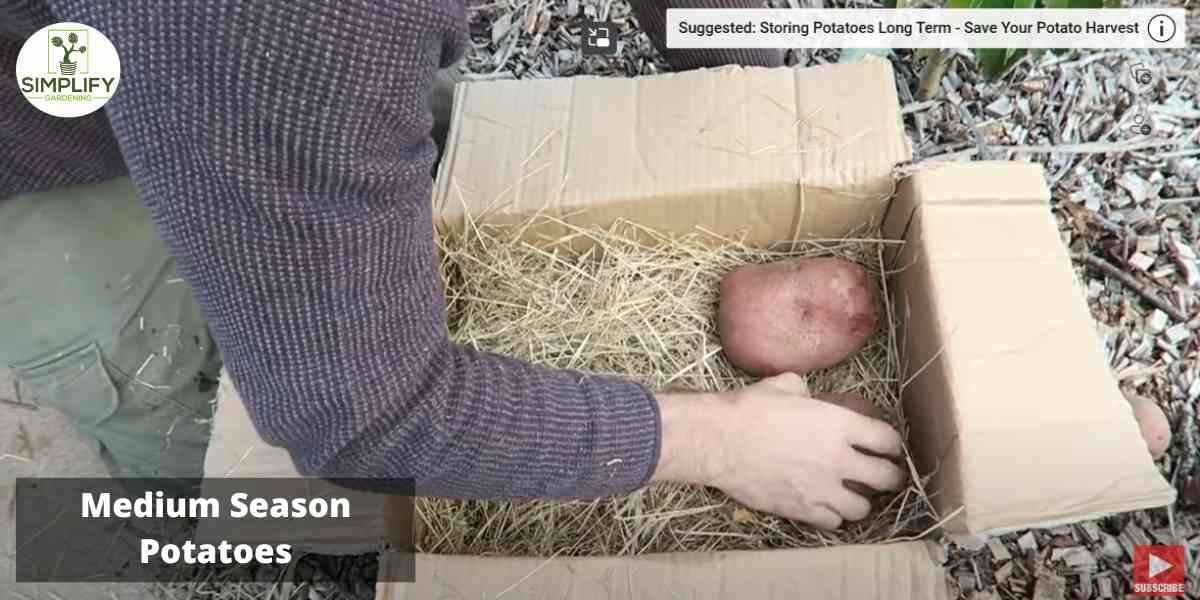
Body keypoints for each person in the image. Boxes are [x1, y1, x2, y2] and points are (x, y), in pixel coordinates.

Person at [0, 1, 903, 531]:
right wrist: (725, 440)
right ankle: (195, 521)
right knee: (200, 405)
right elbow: (355, 417)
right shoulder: (287, 31)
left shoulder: (326, 53)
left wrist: (743, 88)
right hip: (46, 134)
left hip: (243, 66)